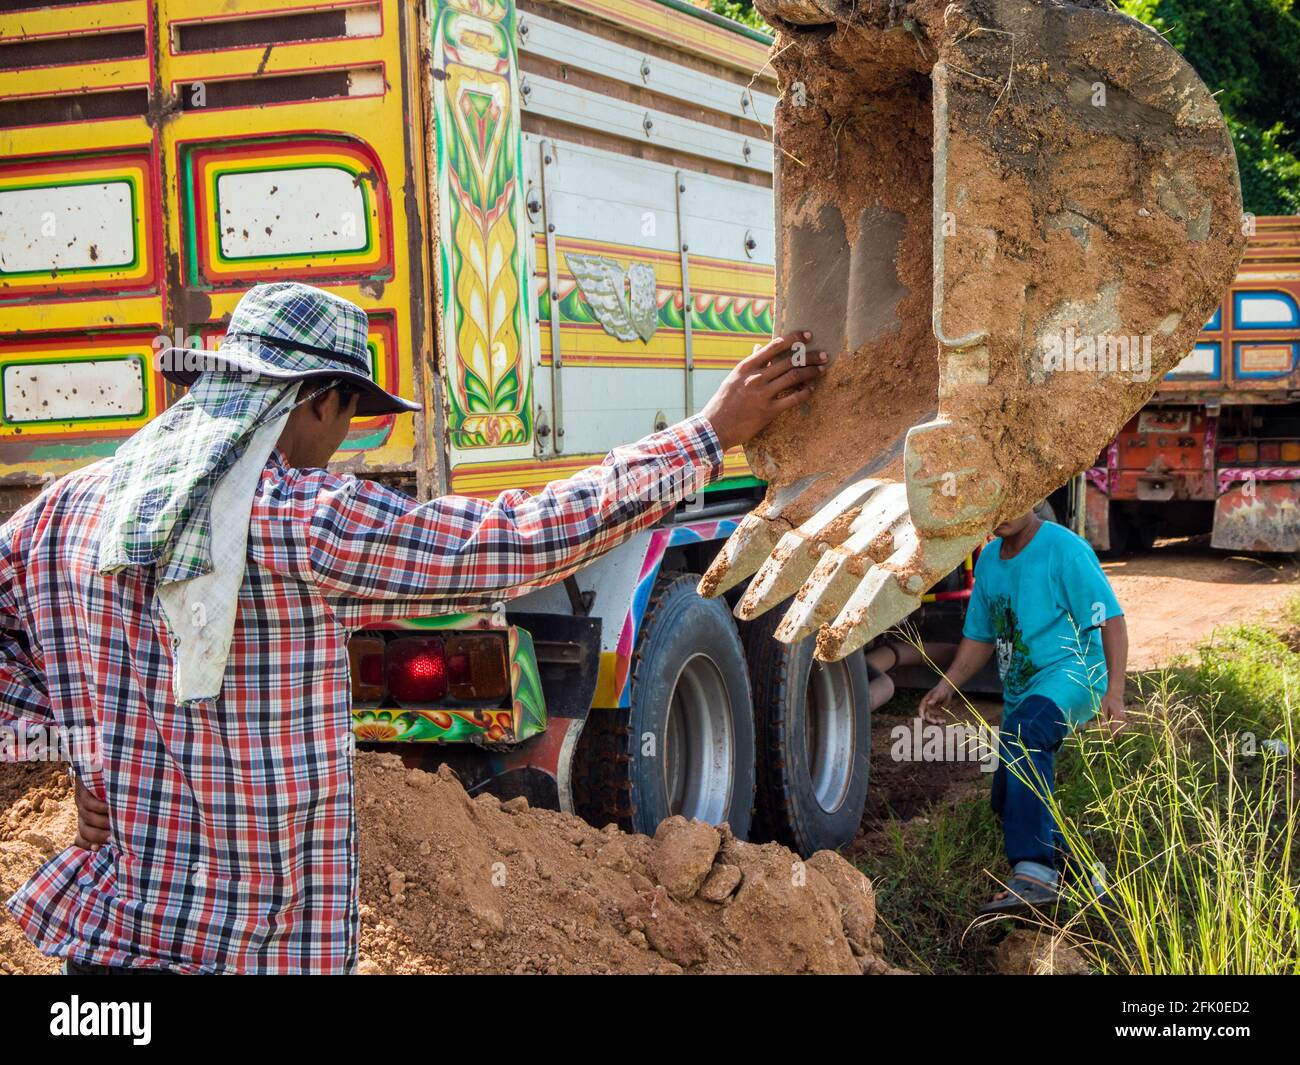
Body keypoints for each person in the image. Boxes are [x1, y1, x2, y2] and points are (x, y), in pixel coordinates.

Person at [0, 282, 825, 974]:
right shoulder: (301, 519)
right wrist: (707, 436)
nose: (340, 442)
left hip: (104, 958)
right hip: (244, 947)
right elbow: (514, 540)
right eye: (349, 415)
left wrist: (75, 747)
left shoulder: (65, 514)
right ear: (319, 398)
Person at [918, 509, 1128, 916]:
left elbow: (1111, 619)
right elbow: (979, 637)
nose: (1004, 513)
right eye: (992, 504)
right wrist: (947, 685)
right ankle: (1086, 875)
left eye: (1014, 500)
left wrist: (1115, 693)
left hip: (1075, 675)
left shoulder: (1064, 549)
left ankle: (1033, 874)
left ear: (1033, 490)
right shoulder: (990, 560)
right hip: (1024, 691)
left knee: (1024, 733)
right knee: (1008, 798)